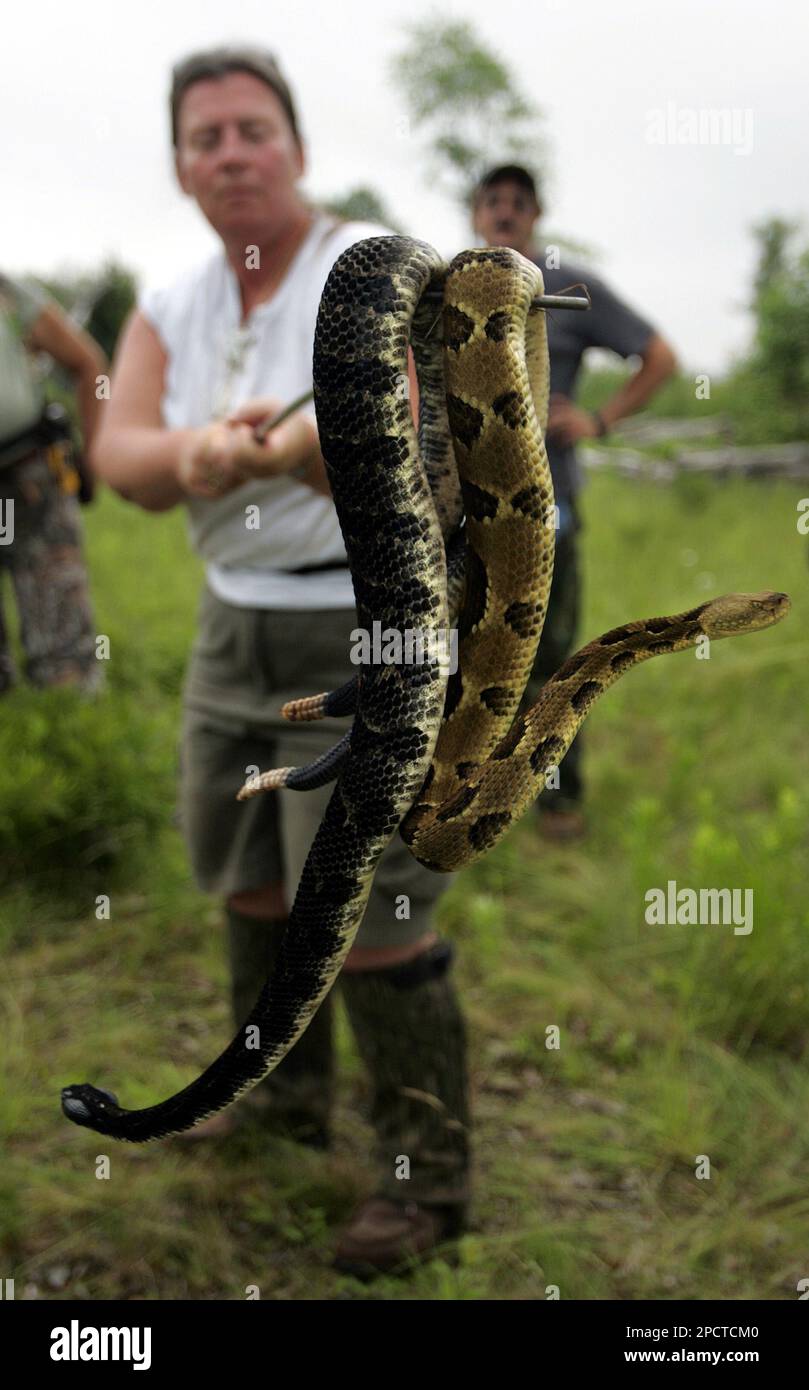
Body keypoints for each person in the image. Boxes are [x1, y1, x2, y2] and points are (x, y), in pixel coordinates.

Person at [91, 46, 470, 1277]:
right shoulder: (177, 296)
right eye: (206, 137)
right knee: (252, 878)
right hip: (229, 630)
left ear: (295, 148)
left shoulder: (363, 264)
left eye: (253, 128)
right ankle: (283, 1102)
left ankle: (424, 1181)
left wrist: (275, 450)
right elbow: (120, 452)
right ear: (181, 166)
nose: (232, 152)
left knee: (371, 909)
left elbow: (400, 419)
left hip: (364, 622)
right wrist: (198, 453)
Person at [472, 165, 678, 839]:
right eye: (493, 202)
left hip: (548, 508)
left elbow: (657, 356)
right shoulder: (457, 285)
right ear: (477, 214)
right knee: (468, 659)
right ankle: (465, 797)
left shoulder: (564, 286)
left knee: (553, 659)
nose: (505, 213)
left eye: (518, 204)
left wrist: (598, 419)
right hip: (467, 512)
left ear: (535, 217)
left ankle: (556, 803)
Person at [0, 273, 106, 694]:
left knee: (60, 617)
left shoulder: (8, 292)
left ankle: (71, 708)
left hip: (31, 474)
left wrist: (95, 455)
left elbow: (87, 363)